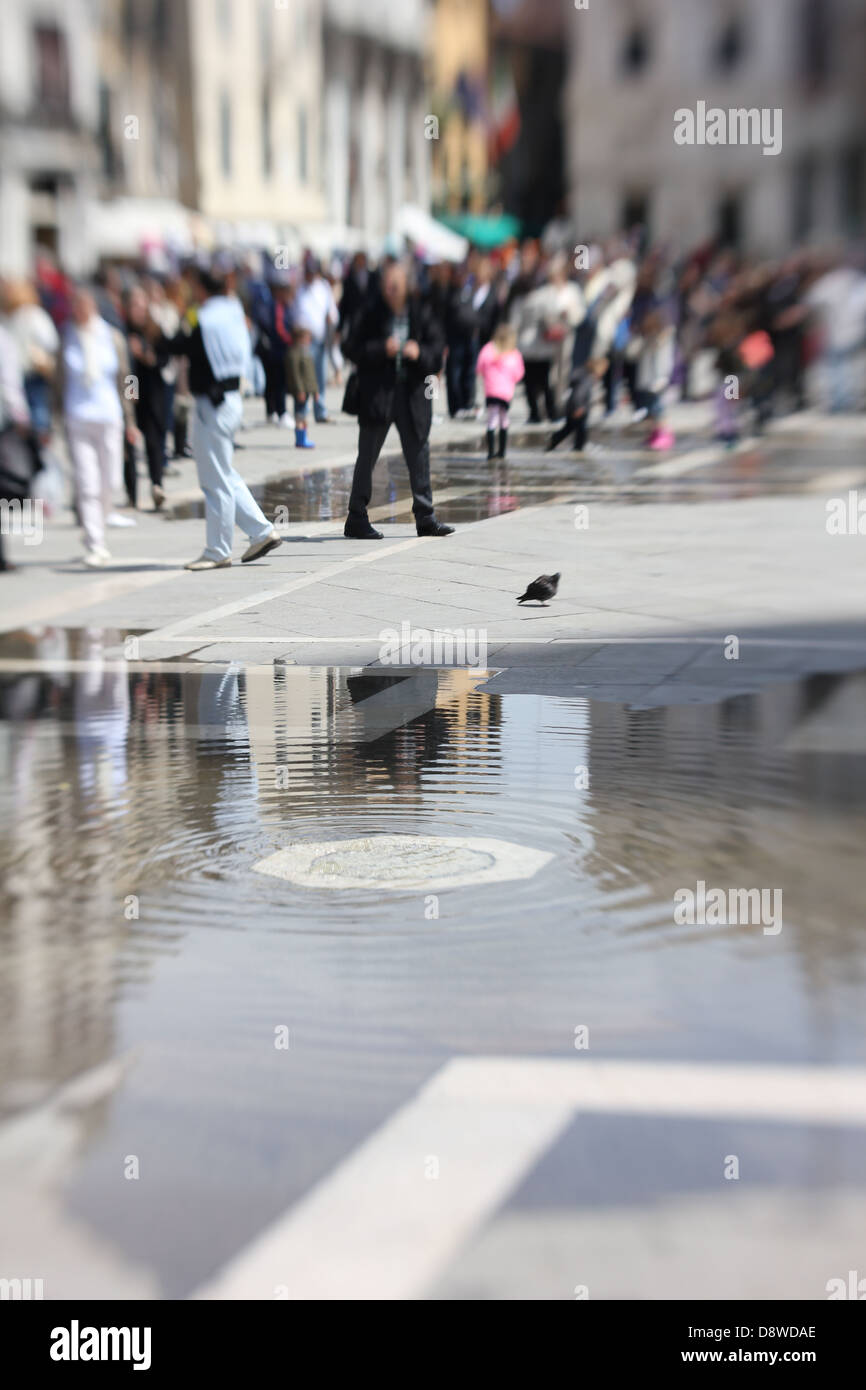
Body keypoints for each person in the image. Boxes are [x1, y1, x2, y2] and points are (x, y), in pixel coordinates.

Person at [159, 265, 282, 570]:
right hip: (231, 397)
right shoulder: (233, 309)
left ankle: (218, 549)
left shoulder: (201, 316)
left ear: (201, 289)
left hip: (211, 403)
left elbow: (181, 345)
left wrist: (157, 337)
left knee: (214, 480)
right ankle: (261, 531)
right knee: (223, 472)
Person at [343, 261, 453, 540]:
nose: (391, 289)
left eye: (396, 284)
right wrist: (382, 349)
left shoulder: (422, 312)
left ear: (406, 286)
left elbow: (437, 351)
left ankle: (425, 518)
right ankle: (356, 517)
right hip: (378, 394)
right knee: (367, 456)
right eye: (387, 284)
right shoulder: (370, 312)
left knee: (419, 453)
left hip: (412, 394)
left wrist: (419, 352)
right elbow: (351, 347)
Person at [59, 286, 138, 567]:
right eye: (75, 306)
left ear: (93, 306)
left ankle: (100, 523)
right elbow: (58, 380)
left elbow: (128, 378)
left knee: (111, 482)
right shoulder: (66, 336)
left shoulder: (112, 336)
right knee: (87, 482)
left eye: (84, 305)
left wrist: (132, 419)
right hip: (77, 417)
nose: (79, 311)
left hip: (109, 416)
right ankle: (95, 541)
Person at [124, 285, 168, 509]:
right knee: (129, 439)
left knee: (153, 439)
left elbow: (163, 360)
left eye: (141, 305)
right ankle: (131, 493)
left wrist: (143, 354)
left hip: (152, 391)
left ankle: (156, 485)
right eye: (134, 305)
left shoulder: (154, 330)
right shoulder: (122, 331)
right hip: (131, 388)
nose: (138, 310)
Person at [294, 255, 338, 422]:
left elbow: (331, 312)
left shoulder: (323, 287)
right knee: (304, 378)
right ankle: (302, 411)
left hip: (319, 339)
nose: (310, 276)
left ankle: (320, 410)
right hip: (303, 340)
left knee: (319, 377)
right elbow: (295, 312)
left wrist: (331, 324)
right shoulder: (300, 288)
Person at [476, 322, 525, 459]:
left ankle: (491, 452)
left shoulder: (487, 349)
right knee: (504, 418)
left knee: (492, 419)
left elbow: (479, 367)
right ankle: (502, 451)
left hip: (491, 390)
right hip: (505, 393)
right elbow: (519, 374)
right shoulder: (514, 353)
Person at [546, 356, 607, 453]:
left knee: (569, 428)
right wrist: (578, 407)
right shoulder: (587, 379)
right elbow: (579, 394)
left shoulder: (583, 376)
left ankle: (556, 440)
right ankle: (579, 446)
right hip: (578, 408)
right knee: (580, 430)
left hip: (573, 407)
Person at [285, 322, 317, 449]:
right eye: (307, 338)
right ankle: (300, 439)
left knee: (304, 414)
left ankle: (304, 437)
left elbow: (311, 375)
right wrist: (299, 390)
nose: (309, 340)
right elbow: (296, 375)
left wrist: (315, 391)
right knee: (300, 415)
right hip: (301, 391)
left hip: (308, 389)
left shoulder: (306, 353)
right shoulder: (294, 354)